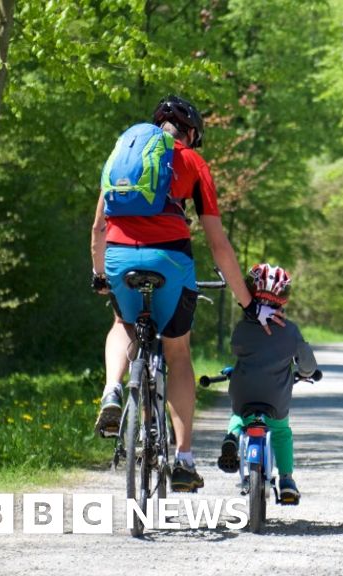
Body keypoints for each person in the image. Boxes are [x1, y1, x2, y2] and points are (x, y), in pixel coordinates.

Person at [90, 95, 281, 492]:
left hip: (119, 258)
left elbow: (97, 230)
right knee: (177, 352)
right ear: (191, 132)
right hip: (170, 262)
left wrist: (99, 275)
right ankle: (184, 458)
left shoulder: (122, 153)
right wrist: (249, 302)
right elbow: (218, 244)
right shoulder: (193, 162)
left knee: (123, 322)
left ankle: (112, 390)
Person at [216, 263, 317, 505]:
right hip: (275, 398)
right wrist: (304, 372)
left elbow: (238, 350)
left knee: (239, 415)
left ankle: (231, 436)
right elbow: (308, 366)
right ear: (284, 300)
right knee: (281, 432)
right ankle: (286, 480)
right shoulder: (290, 331)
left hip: (244, 391)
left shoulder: (242, 328)